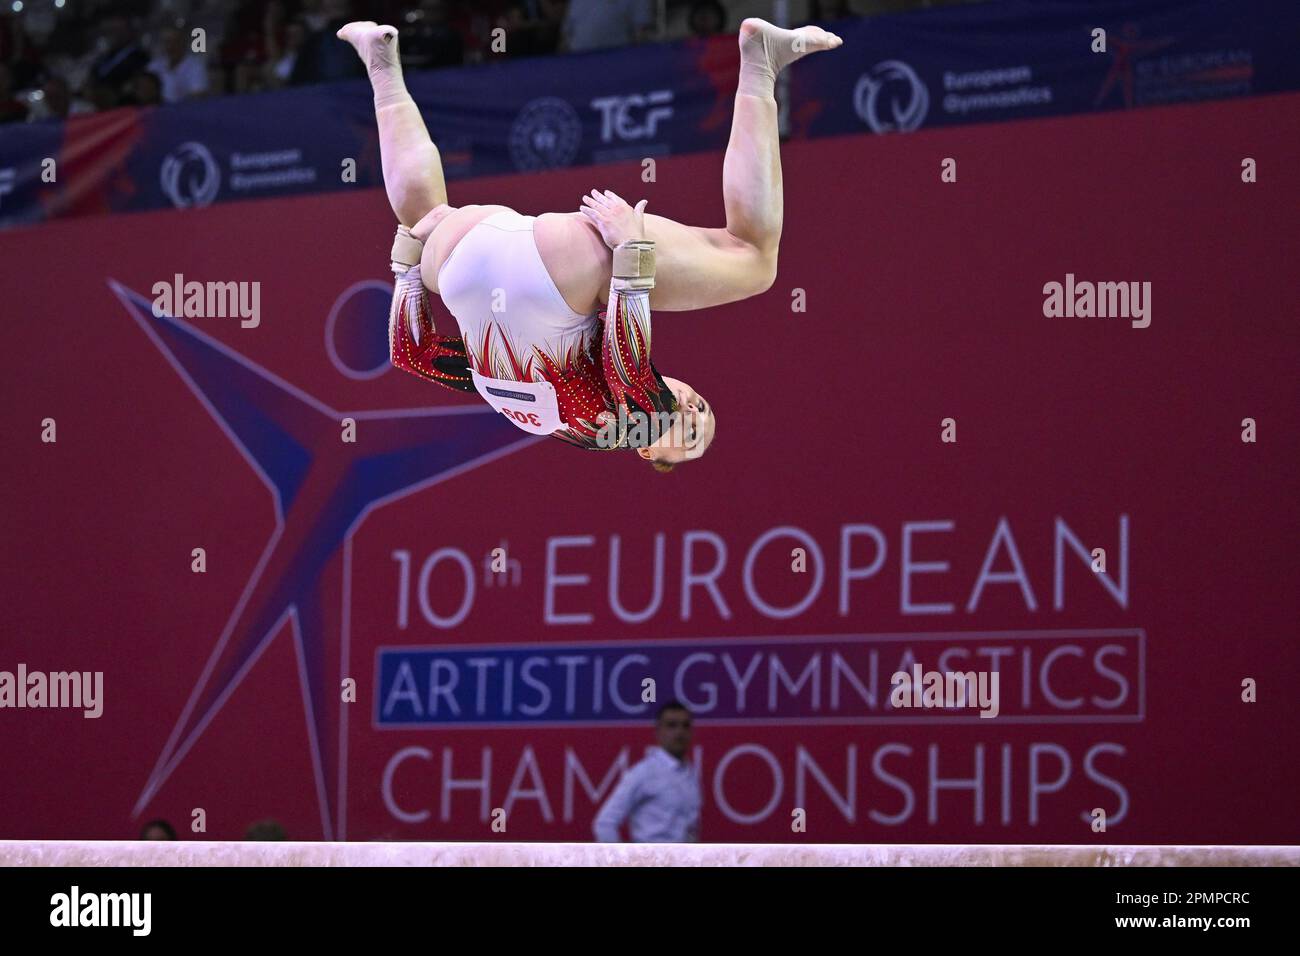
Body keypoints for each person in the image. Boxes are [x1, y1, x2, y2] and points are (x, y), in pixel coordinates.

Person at [338, 16, 842, 468]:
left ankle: (760, 64)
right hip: (464, 255)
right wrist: (406, 268)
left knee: (754, 262)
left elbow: (629, 370)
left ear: (647, 449)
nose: (689, 410)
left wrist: (630, 257)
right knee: (423, 215)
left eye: (688, 431)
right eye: (701, 408)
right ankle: (381, 65)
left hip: (559, 270)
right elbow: (412, 355)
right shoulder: (539, 415)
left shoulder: (628, 428)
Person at [593, 702, 700, 842]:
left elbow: (690, 826)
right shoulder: (644, 773)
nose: (679, 732)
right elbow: (605, 823)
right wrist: (621, 862)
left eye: (685, 726)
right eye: (671, 725)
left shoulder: (689, 772)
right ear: (658, 731)